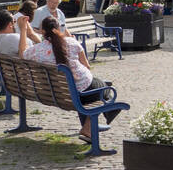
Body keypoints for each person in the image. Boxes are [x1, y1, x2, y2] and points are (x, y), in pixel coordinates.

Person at [16, 14, 112, 144]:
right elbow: (87, 66)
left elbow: (22, 53)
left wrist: (22, 30)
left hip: (60, 94)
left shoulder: (37, 51)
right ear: (58, 29)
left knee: (99, 88)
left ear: (43, 32)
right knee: (105, 89)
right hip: (81, 91)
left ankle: (89, 127)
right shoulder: (72, 42)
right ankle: (89, 127)